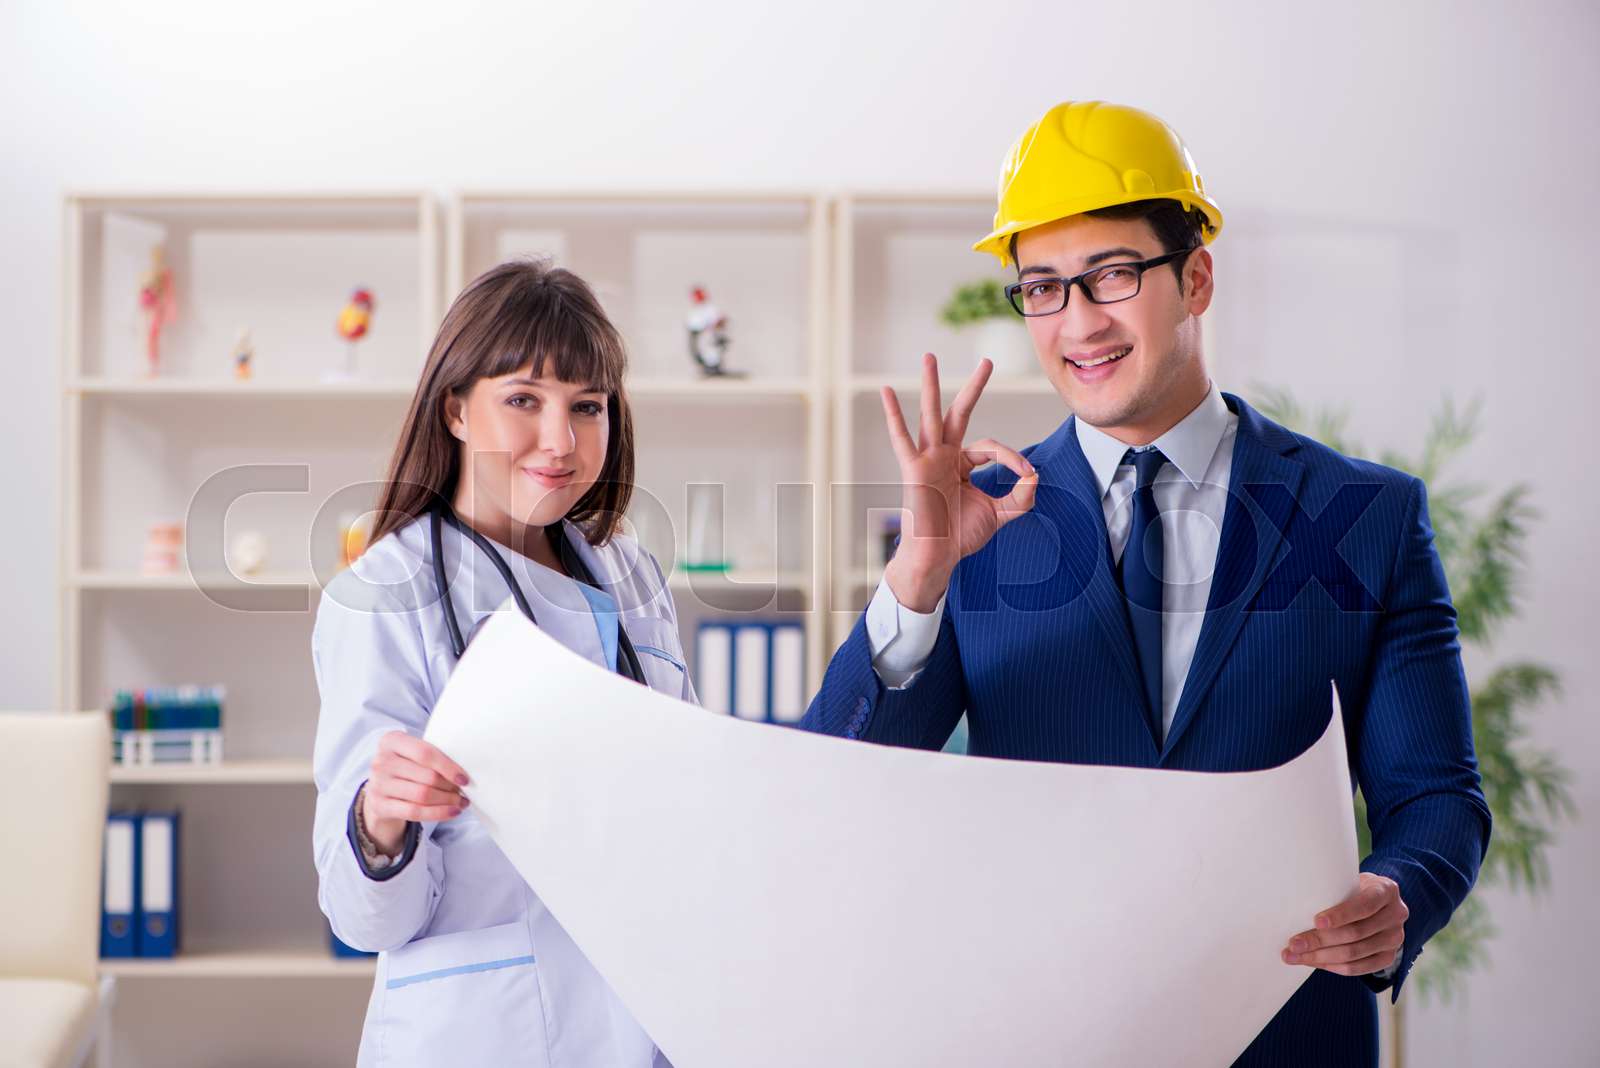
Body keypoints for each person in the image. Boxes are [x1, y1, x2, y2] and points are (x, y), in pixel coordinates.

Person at [799, 101, 1489, 1067]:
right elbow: (837, 782)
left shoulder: (1365, 518)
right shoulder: (973, 525)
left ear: (1195, 276)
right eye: (1041, 288)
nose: (1078, 323)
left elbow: (1438, 796)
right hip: (1038, 1035)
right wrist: (918, 578)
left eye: (1112, 275)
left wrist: (1401, 893)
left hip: (1287, 1036)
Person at [311, 261, 690, 1067]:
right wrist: (382, 822)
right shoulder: (382, 594)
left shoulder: (635, 579)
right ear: (454, 409)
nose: (560, 441)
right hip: (480, 1031)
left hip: (648, 1019)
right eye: (524, 399)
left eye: (587, 407)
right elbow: (362, 919)